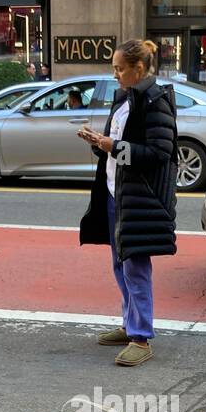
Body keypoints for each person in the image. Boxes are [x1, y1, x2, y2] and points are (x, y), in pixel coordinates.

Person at [77, 39, 178, 368]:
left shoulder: (155, 101)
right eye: (114, 68)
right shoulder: (124, 98)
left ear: (139, 68)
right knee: (120, 265)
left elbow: (159, 154)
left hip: (139, 197)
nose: (116, 74)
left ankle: (141, 337)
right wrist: (99, 143)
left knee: (135, 267)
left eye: (120, 69)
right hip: (114, 191)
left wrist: (112, 145)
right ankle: (130, 324)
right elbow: (115, 144)